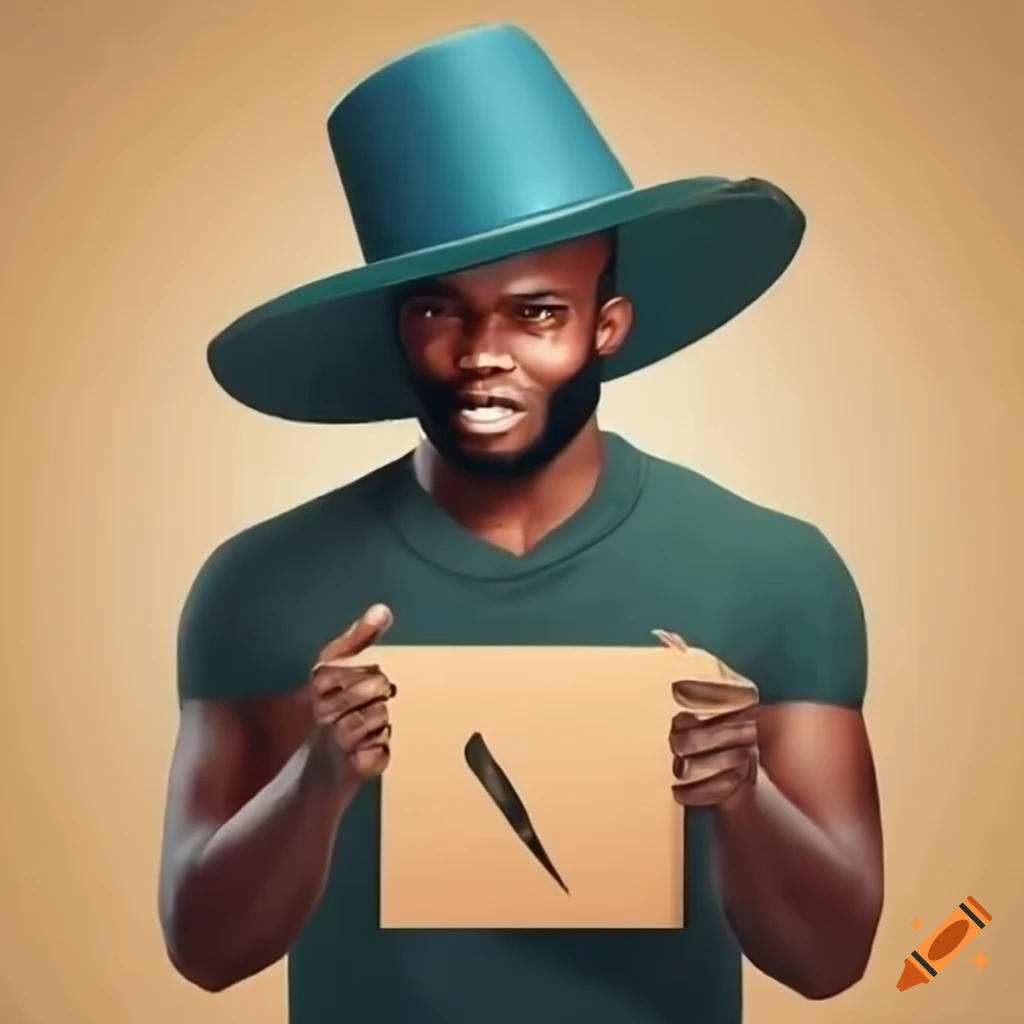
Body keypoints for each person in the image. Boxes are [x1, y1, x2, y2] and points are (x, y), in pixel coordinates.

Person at [158, 23, 884, 1024]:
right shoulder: (261, 583)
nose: (479, 353)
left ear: (607, 325)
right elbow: (202, 950)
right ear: (396, 326)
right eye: (437, 311)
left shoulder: (773, 570)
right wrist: (316, 779)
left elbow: (831, 959)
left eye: (535, 312)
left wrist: (743, 794)